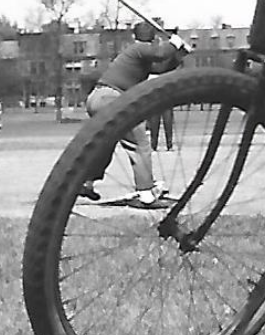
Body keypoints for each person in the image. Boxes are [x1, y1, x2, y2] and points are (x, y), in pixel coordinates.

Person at [80, 21, 190, 208]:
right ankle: (146, 193)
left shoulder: (139, 56)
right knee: (139, 142)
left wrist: (180, 54)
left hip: (97, 98)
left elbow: (162, 67)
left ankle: (86, 182)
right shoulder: (138, 49)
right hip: (112, 97)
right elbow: (161, 53)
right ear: (153, 38)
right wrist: (174, 43)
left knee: (106, 144)